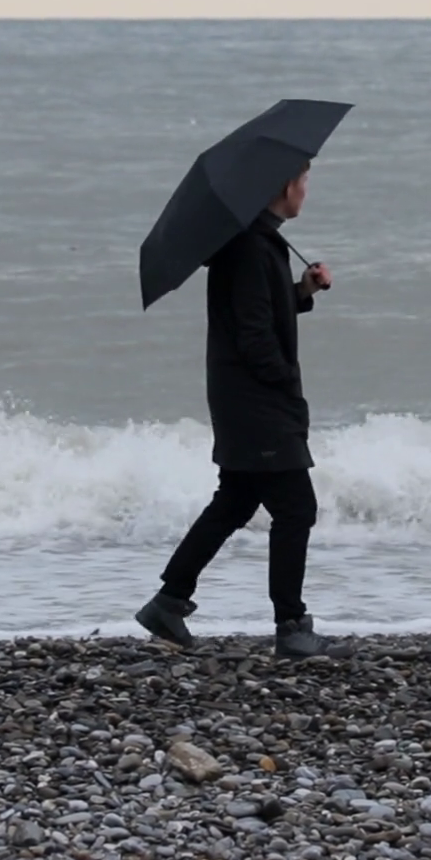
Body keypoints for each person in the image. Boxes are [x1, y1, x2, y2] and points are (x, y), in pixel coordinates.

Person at [135, 166, 343, 658]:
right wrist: (285, 385)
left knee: (235, 501)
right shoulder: (250, 248)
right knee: (296, 509)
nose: (306, 191)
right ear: (283, 186)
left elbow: (260, 313)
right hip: (257, 405)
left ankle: (168, 602)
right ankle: (292, 626)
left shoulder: (255, 244)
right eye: (304, 181)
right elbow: (254, 337)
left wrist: (301, 292)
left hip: (241, 400)